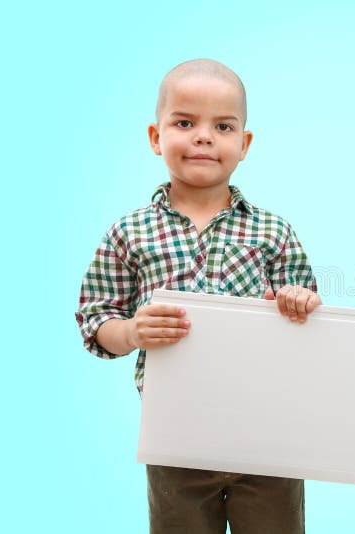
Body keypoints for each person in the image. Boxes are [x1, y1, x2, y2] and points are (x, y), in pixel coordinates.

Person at [76, 58, 320, 534]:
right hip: (175, 434)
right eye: (185, 123)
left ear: (244, 144)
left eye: (223, 126)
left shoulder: (272, 229)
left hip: (267, 431)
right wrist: (130, 330)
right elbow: (95, 320)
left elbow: (308, 309)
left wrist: (295, 302)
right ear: (155, 137)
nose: (203, 136)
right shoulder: (129, 232)